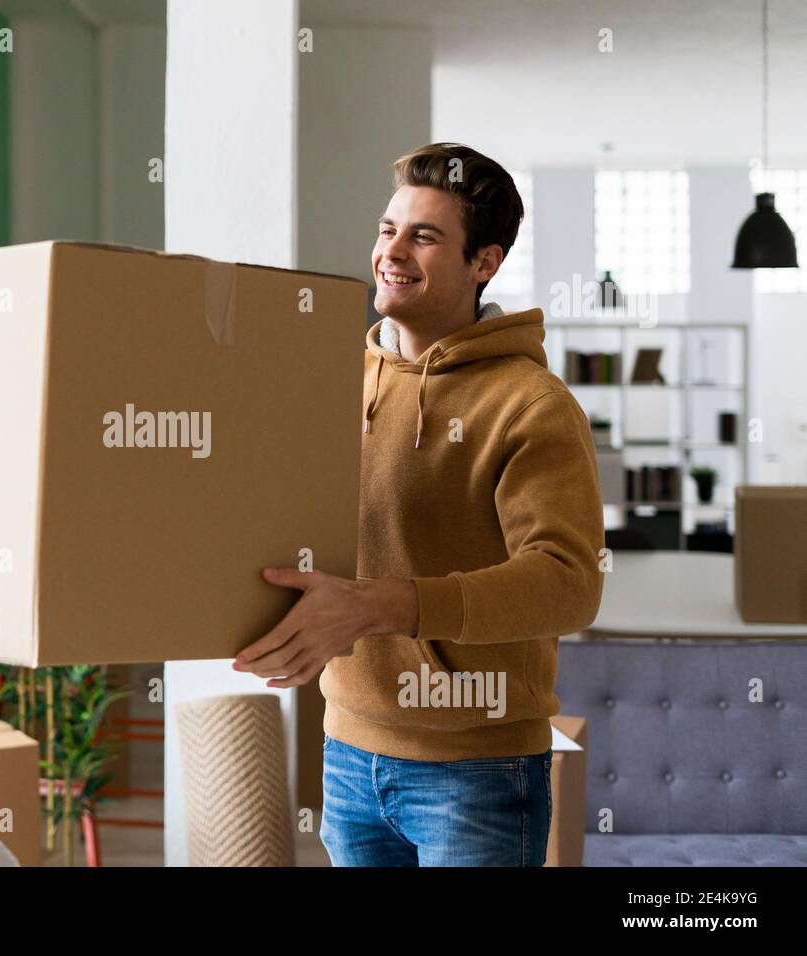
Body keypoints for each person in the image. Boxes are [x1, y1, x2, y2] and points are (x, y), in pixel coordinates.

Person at [232, 142, 604, 866]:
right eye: (387, 229)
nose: (391, 252)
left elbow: (569, 582)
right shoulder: (335, 378)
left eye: (424, 236)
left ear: (484, 263)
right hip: (347, 750)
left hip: (478, 771)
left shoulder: (533, 405)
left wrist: (385, 604)